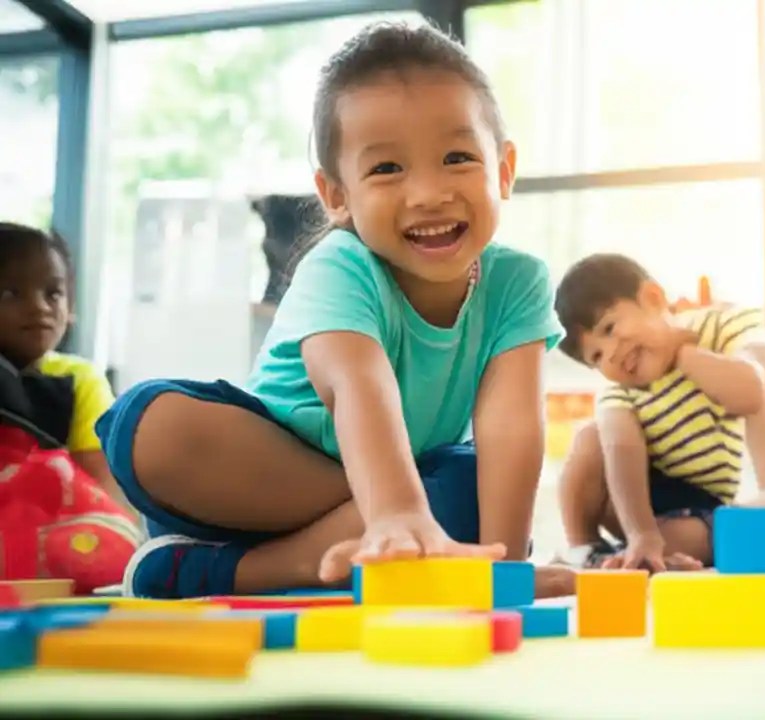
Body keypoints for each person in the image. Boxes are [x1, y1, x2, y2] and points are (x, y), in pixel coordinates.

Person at [96, 21, 575, 599]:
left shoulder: (518, 281)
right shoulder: (341, 265)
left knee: (474, 481)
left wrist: (504, 568)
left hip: (407, 493)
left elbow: (511, 427)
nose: (427, 193)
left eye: (456, 157)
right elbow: (356, 383)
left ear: (503, 170)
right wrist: (394, 509)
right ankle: (377, 535)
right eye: (387, 169)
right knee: (150, 422)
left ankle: (228, 570)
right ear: (337, 196)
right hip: (270, 479)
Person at [552, 253, 765, 571]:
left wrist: (682, 353)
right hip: (630, 504)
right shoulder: (620, 390)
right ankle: (585, 549)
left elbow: (753, 393)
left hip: (696, 510)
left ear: (653, 299)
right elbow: (621, 455)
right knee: (592, 436)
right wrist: (641, 532)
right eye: (595, 356)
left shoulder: (713, 327)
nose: (610, 354)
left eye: (610, 328)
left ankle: (640, 556)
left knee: (691, 539)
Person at [0, 222, 141, 592]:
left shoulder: (78, 379)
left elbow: (101, 486)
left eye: (53, 293)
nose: (39, 307)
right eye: (11, 293)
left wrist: (123, 543)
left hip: (56, 531)